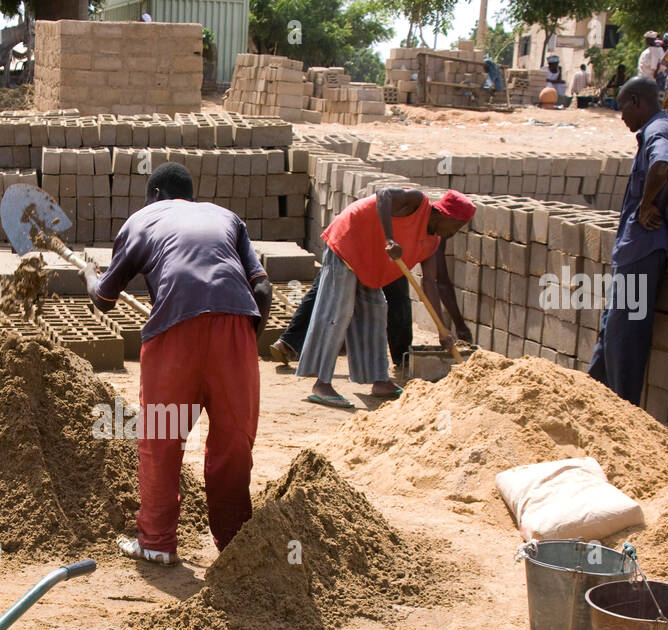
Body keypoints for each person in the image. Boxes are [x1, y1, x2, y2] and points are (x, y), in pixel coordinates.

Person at [85, 163, 273, 565]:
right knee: (233, 443)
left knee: (162, 438)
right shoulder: (226, 218)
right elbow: (263, 287)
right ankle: (236, 545)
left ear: (155, 195)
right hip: (237, 328)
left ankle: (155, 542)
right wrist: (241, 347)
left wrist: (89, 276)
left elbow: (103, 298)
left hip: (175, 335)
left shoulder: (142, 220)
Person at [294, 188, 476, 407]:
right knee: (337, 312)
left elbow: (431, 283)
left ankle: (379, 380)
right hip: (349, 240)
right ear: (445, 214)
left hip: (370, 264)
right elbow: (384, 195)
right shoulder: (417, 203)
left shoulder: (433, 243)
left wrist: (442, 330)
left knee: (376, 312)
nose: (453, 233)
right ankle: (321, 384)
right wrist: (390, 239)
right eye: (455, 227)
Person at [588, 76, 668, 406]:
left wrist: (646, 206)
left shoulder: (657, 132)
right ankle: (593, 400)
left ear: (636, 102)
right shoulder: (667, 127)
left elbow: (661, 166)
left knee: (624, 336)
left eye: (620, 106)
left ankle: (623, 413)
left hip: (643, 248)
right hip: (637, 251)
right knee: (610, 331)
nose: (620, 116)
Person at [270, 274, 424, 374]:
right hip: (357, 245)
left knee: (325, 287)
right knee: (395, 290)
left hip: (345, 242)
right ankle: (402, 357)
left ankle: (287, 342)